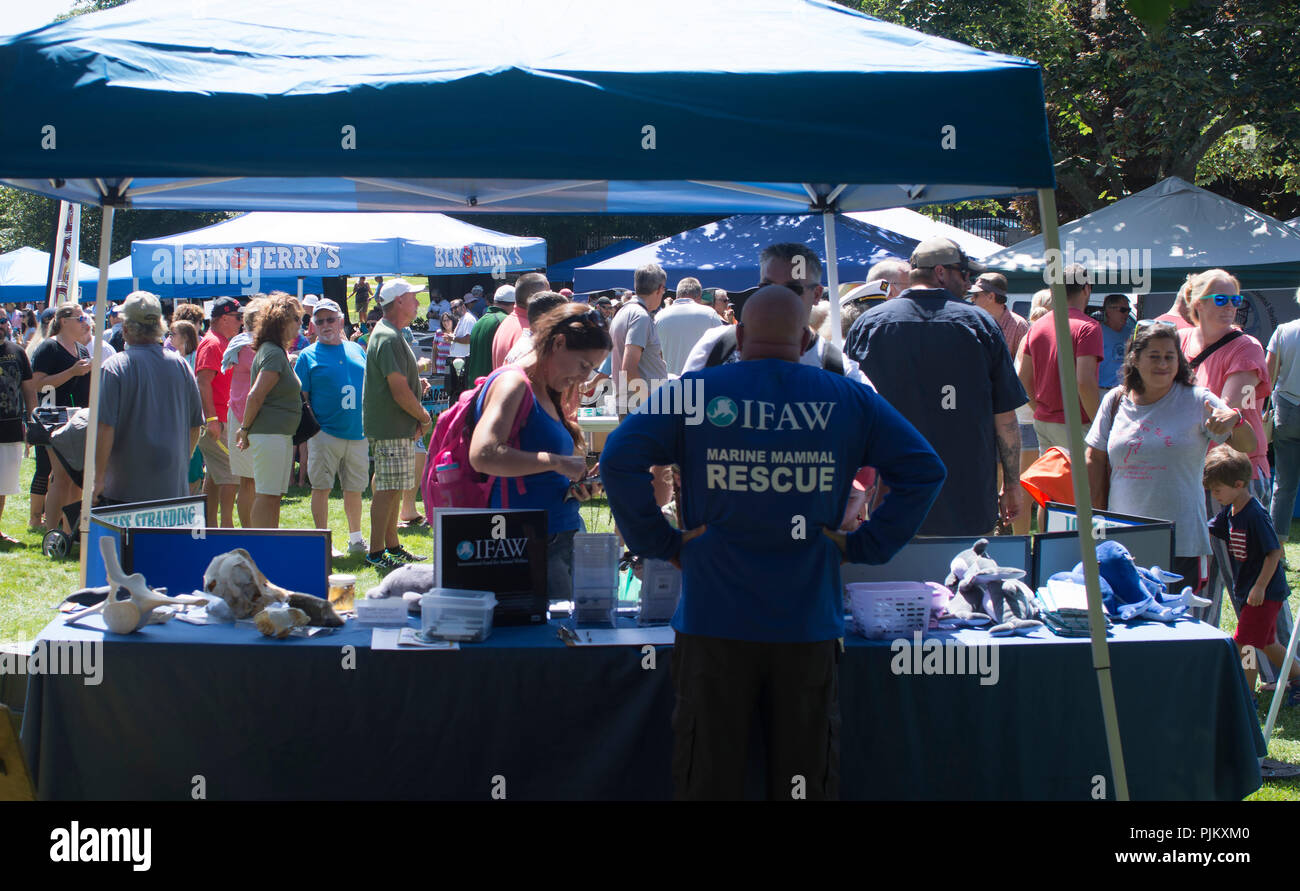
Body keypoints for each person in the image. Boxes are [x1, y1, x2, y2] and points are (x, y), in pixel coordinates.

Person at [602, 285, 945, 800]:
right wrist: (864, 545)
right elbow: (924, 471)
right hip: (806, 625)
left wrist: (661, 541)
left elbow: (617, 459)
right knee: (804, 774)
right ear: (807, 338)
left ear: (737, 334)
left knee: (708, 777)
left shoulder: (694, 392)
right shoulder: (847, 397)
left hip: (714, 622)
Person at [846, 237, 1026, 536]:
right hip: (965, 499)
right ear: (941, 272)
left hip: (891, 498)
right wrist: (1011, 484)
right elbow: (1005, 418)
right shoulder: (981, 325)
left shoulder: (868, 324)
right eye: (964, 273)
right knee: (963, 581)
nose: (969, 283)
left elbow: (850, 417)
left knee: (895, 583)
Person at [1085, 322, 1255, 588]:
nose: (1162, 364)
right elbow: (1093, 458)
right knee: (1123, 619)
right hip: (1121, 540)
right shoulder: (1116, 399)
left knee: (1174, 623)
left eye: (1169, 357)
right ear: (1135, 359)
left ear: (1179, 361)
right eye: (1154, 356)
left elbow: (1248, 444)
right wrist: (1097, 517)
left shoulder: (1198, 400)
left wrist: (1236, 419)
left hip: (1181, 541)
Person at [469, 304, 611, 600]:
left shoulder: (547, 389)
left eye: (592, 369)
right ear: (558, 343)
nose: (585, 378)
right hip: (529, 544)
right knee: (549, 642)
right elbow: (483, 453)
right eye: (583, 365)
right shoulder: (514, 383)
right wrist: (557, 462)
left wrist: (576, 487)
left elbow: (537, 468)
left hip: (557, 536)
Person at [684, 245, 872, 386]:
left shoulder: (836, 366)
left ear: (816, 294)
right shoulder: (717, 345)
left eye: (792, 289)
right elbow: (678, 413)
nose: (775, 297)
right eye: (767, 286)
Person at [1205, 444, 1300, 705]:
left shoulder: (1255, 514)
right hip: (1250, 591)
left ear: (1238, 484)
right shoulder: (1231, 510)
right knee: (1267, 643)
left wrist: (1259, 587)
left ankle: (1246, 696)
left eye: (1217, 490)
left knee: (1243, 643)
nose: (1215, 495)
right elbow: (1210, 529)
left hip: (1265, 592)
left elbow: (1274, 554)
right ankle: (1298, 678)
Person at [93, 292, 204, 506]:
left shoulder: (114, 367)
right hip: (172, 488)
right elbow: (195, 426)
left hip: (123, 491)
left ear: (125, 328)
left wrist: (98, 479)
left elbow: (105, 427)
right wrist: (181, 464)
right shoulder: (181, 365)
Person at [362, 278, 432, 573]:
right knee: (388, 490)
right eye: (413, 297)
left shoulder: (391, 333)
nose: (418, 302)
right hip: (391, 426)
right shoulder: (389, 336)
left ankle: (390, 545)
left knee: (392, 488)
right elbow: (398, 389)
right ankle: (377, 551)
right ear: (399, 301)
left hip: (394, 425)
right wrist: (424, 417)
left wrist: (418, 386)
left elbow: (402, 383)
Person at [296, 298, 369, 556]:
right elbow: (302, 398)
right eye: (320, 321)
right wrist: (314, 428)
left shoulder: (357, 349)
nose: (325, 325)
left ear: (340, 320)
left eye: (330, 319)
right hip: (324, 433)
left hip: (357, 432)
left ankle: (356, 539)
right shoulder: (307, 356)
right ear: (313, 325)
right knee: (321, 487)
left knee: (354, 489)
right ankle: (323, 541)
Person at [233, 293, 302, 529]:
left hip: (277, 435)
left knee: (273, 495)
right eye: (296, 318)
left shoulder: (274, 351)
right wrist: (244, 428)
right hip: (269, 435)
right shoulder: (272, 352)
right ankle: (261, 546)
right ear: (281, 320)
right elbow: (256, 394)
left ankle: (270, 542)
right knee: (267, 495)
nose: (300, 324)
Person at [1018, 264, 1103, 455]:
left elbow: (1023, 379)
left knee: (1052, 484)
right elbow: (1084, 382)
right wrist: (1100, 425)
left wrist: (1041, 410)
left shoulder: (1037, 326)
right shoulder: (1088, 327)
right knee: (1087, 485)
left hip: (1043, 422)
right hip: (1076, 424)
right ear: (1086, 288)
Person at [28, 302, 92, 529]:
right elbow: (37, 384)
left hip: (79, 418)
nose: (85, 322)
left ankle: (69, 529)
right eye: (80, 318)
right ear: (64, 321)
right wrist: (72, 372)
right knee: (60, 475)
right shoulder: (49, 348)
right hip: (54, 419)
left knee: (78, 478)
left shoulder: (82, 349)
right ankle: (52, 529)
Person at [194, 297, 244, 527]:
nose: (241, 322)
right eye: (238, 317)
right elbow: (203, 381)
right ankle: (226, 526)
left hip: (221, 418)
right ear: (224, 318)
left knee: (215, 476)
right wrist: (212, 419)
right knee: (231, 475)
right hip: (215, 420)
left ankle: (211, 526)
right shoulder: (213, 343)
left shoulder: (222, 341)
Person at [221, 296, 268, 526]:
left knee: (252, 481)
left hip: (245, 417)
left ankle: (253, 530)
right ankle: (252, 531)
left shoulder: (243, 344)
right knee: (252, 481)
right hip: (248, 419)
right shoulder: (251, 348)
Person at [1266, 287, 1300, 540]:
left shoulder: (1283, 331)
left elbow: (1268, 378)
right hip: (1287, 409)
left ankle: (1277, 544)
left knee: (1284, 486)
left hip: (1286, 411)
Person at [0, 313, 36, 543]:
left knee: (3, 484)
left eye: (3, 321)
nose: (1, 326)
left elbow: (29, 392)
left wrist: (32, 424)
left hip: (11, 428)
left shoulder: (17, 352)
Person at [653, 277, 724, 376]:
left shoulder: (659, 317)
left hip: (668, 384)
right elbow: (722, 352)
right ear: (699, 296)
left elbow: (654, 356)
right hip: (700, 384)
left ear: (677, 296)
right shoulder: (710, 314)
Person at [492, 272, 549, 369]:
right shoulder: (528, 330)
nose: (552, 297)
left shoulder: (508, 321)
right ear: (535, 298)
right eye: (548, 293)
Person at [967, 272, 1030, 359]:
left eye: (976, 295)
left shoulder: (1019, 326)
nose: (972, 298)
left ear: (991, 297)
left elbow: (1023, 365)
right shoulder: (972, 322)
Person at [464, 285, 514, 384]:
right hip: (493, 387)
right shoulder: (505, 321)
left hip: (475, 387)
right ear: (514, 304)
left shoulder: (480, 321)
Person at [504, 291, 569, 365]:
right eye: (562, 319)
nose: (567, 326)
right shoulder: (530, 355)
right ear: (543, 319)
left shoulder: (529, 348)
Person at [1097, 293, 1136, 391]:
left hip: (1125, 390)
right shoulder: (1097, 332)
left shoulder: (1131, 332)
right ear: (1109, 310)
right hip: (1103, 390)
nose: (1127, 314)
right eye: (1123, 310)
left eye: (1128, 310)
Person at [447, 297, 476, 400]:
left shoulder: (468, 319)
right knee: (455, 391)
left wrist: (453, 338)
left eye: (455, 307)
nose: (453, 310)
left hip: (463, 361)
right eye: (452, 309)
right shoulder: (462, 319)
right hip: (457, 361)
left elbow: (469, 339)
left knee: (461, 391)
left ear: (463, 306)